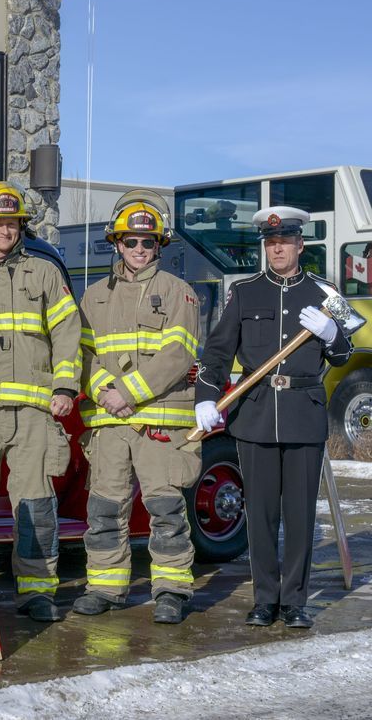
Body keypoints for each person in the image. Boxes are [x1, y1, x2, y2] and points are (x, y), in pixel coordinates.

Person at [195, 206, 352, 629]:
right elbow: (217, 354)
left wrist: (331, 332)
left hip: (303, 413)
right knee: (260, 513)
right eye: (270, 243)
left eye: (284, 242)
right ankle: (265, 599)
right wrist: (206, 398)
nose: (277, 248)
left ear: (301, 245)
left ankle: (295, 602)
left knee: (299, 514)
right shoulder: (246, 293)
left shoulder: (325, 294)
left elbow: (344, 354)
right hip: (257, 414)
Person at [74, 190, 201, 625]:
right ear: (117, 243)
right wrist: (103, 390)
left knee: (165, 511)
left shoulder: (178, 293)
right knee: (104, 510)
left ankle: (171, 590)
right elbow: (84, 355)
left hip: (160, 423)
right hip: (109, 424)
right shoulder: (93, 296)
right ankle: (106, 588)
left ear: (159, 245)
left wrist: (124, 393)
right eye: (131, 242)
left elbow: (177, 356)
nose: (140, 250)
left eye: (148, 243)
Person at [0, 181, 81, 622]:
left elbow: (69, 334)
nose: (4, 231)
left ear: (20, 228)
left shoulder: (45, 273)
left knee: (35, 505)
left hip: (34, 412)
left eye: (11, 224)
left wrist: (65, 387)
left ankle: (37, 592)